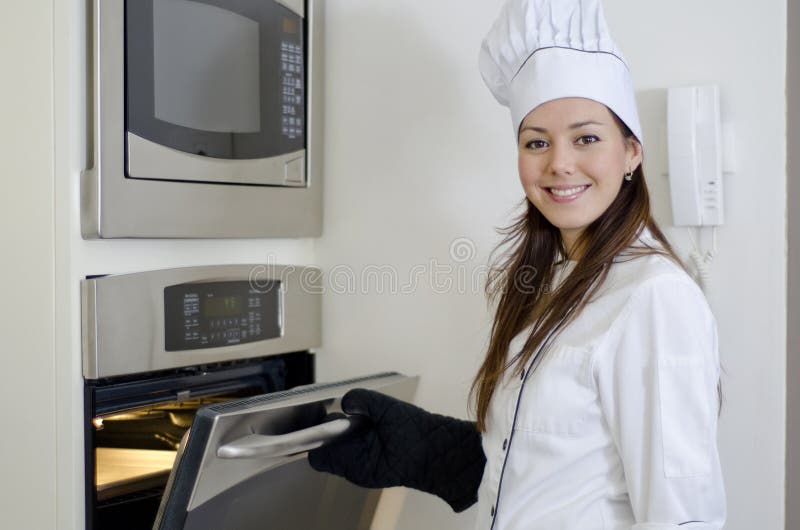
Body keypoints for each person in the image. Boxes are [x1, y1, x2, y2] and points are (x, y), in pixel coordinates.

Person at [309, 0, 726, 528]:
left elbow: (683, 515)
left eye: (587, 138)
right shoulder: (555, 280)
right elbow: (563, 462)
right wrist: (436, 452)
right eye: (537, 142)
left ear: (632, 153)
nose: (559, 163)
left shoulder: (653, 296)